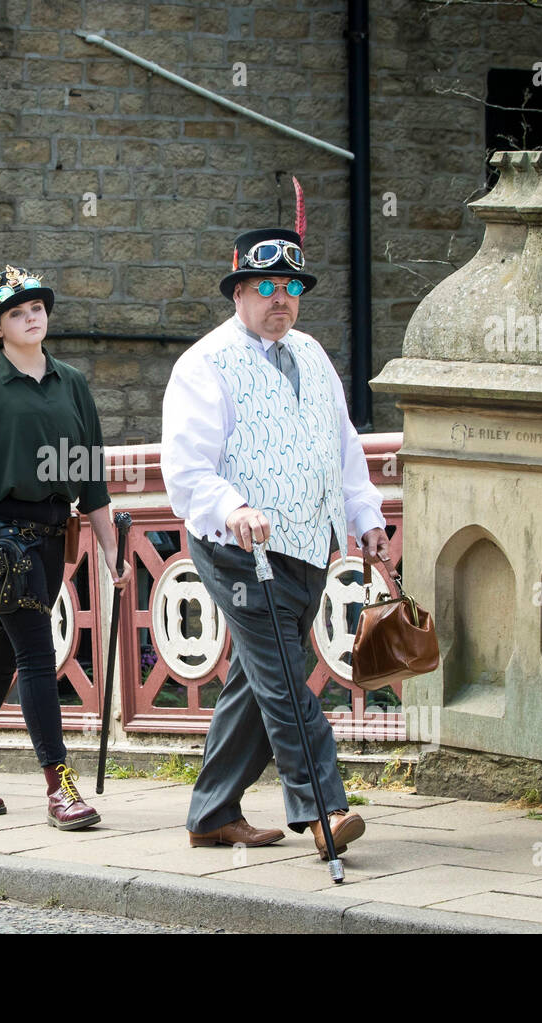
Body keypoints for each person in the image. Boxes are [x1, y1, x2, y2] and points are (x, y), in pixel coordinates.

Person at [160, 228, 390, 857]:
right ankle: (322, 811)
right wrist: (232, 508)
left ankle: (211, 814)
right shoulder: (204, 364)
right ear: (238, 291)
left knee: (257, 683)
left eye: (291, 286)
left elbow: (342, 447)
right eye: (265, 286)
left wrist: (365, 515)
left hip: (308, 550)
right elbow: (185, 471)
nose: (280, 298)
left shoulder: (312, 353)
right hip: (239, 555)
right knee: (288, 680)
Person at [0, 265, 131, 830]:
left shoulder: (71, 382)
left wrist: (111, 550)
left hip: (49, 536)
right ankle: (58, 786)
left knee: (1, 660)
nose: (32, 316)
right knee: (38, 658)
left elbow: (91, 478)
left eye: (37, 307)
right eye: (18, 312)